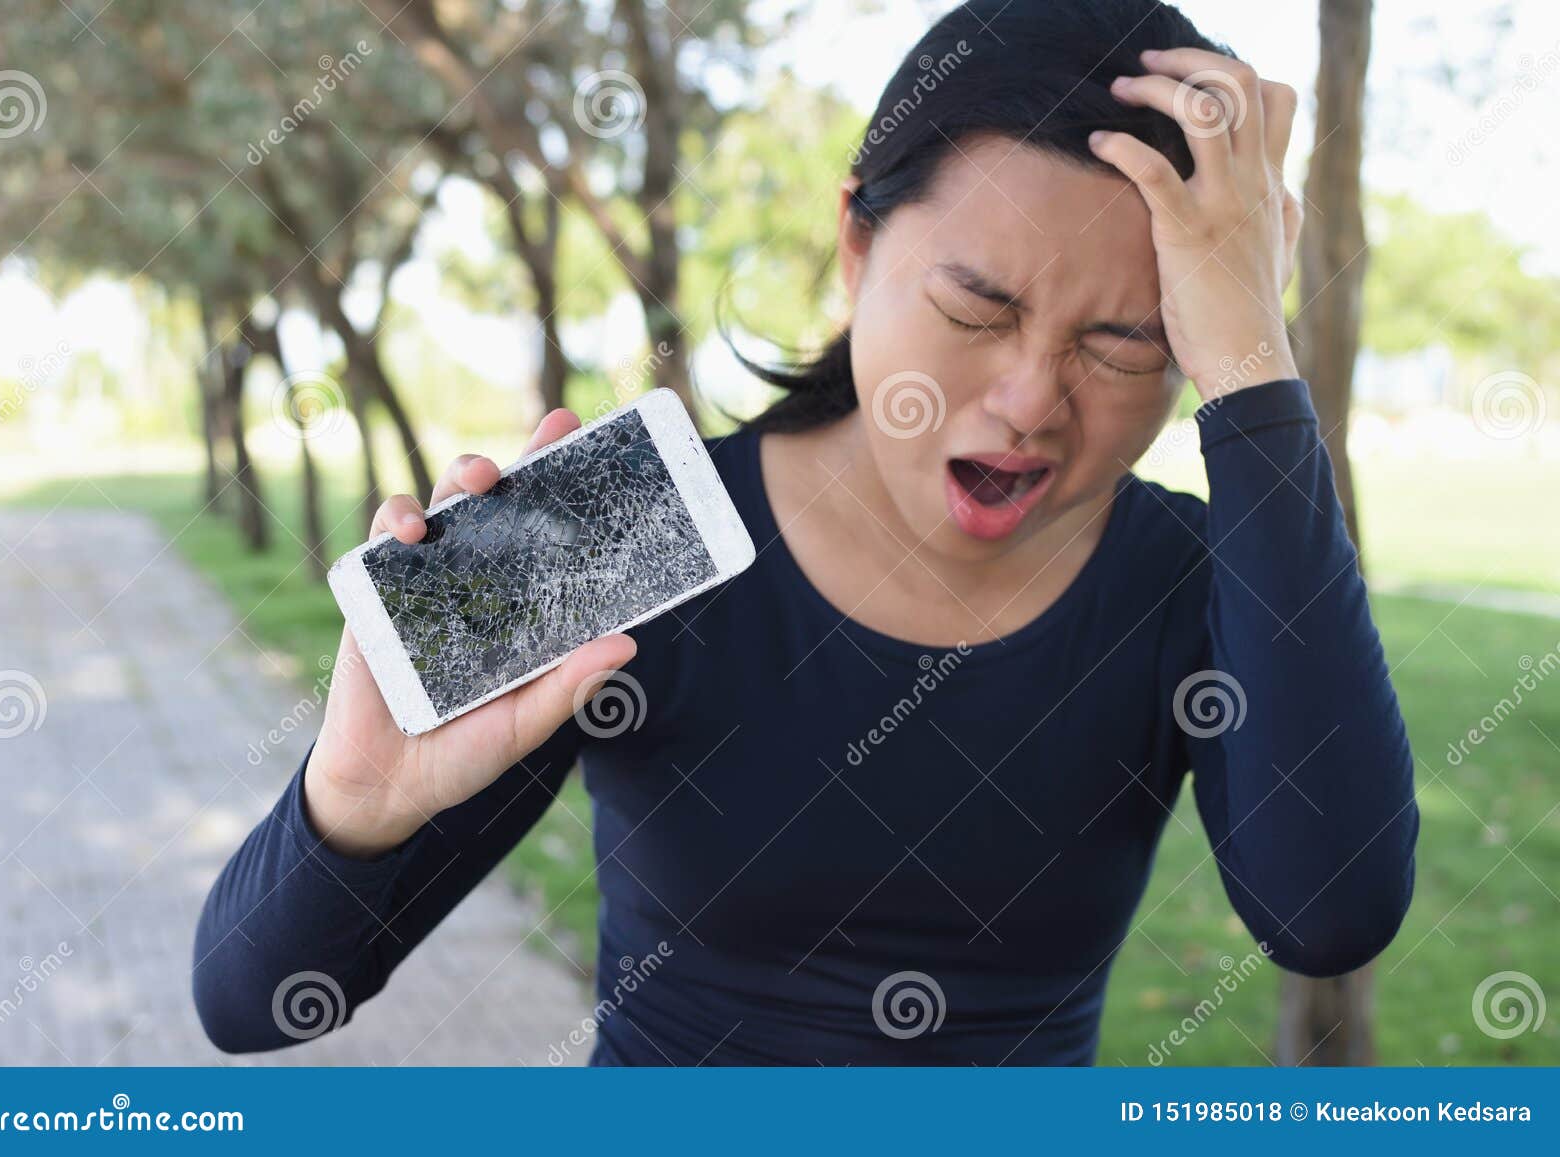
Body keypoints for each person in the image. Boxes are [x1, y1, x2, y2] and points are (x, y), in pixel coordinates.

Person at [193, 0, 1418, 1065]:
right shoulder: (625, 525)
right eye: (975, 308)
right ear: (856, 242)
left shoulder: (1192, 582)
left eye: (1127, 344)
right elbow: (252, 1001)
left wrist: (1253, 361)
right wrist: (352, 799)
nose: (1031, 401)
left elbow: (1330, 908)